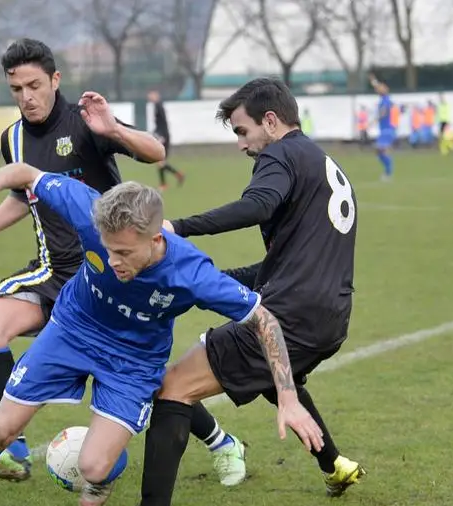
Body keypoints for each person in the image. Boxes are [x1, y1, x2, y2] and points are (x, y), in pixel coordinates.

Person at [0, 38, 246, 486]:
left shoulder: (85, 122)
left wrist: (115, 131)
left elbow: (155, 152)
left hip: (111, 267)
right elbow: (26, 193)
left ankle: (221, 441)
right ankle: (11, 447)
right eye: (16, 89)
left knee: (148, 378)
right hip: (53, 270)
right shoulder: (14, 138)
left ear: (55, 80)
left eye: (34, 85)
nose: (26, 97)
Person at [0, 161, 322, 506]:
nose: (114, 261)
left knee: (94, 467)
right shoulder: (87, 211)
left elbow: (264, 319)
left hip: (133, 362)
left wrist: (287, 397)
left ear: (155, 240)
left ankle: (100, 482)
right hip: (72, 330)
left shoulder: (190, 272)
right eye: (109, 250)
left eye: (125, 253)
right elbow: (29, 173)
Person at [138, 77, 366, 506]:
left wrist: (180, 229)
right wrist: (206, 280)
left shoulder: (278, 155)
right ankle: (334, 463)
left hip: (291, 315)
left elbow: (258, 205)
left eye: (243, 132)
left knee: (173, 387)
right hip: (330, 316)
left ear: (272, 121)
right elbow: (278, 268)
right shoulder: (318, 160)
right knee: (267, 369)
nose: (242, 145)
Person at [147, 90, 185, 191]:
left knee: (160, 161)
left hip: (163, 136)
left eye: (151, 94)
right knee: (160, 162)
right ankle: (168, 181)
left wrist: (160, 135)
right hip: (162, 135)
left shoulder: (158, 106)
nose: (149, 96)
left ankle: (173, 178)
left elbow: (162, 123)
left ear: (156, 95)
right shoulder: (158, 106)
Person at [368, 74, 394, 181]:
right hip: (384, 130)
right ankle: (388, 172)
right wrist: (374, 81)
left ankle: (388, 173)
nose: (379, 89)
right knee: (379, 152)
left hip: (387, 130)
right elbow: (378, 88)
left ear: (386, 89)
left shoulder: (387, 100)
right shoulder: (383, 98)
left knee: (381, 150)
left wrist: (374, 120)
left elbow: (384, 112)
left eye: (382, 87)